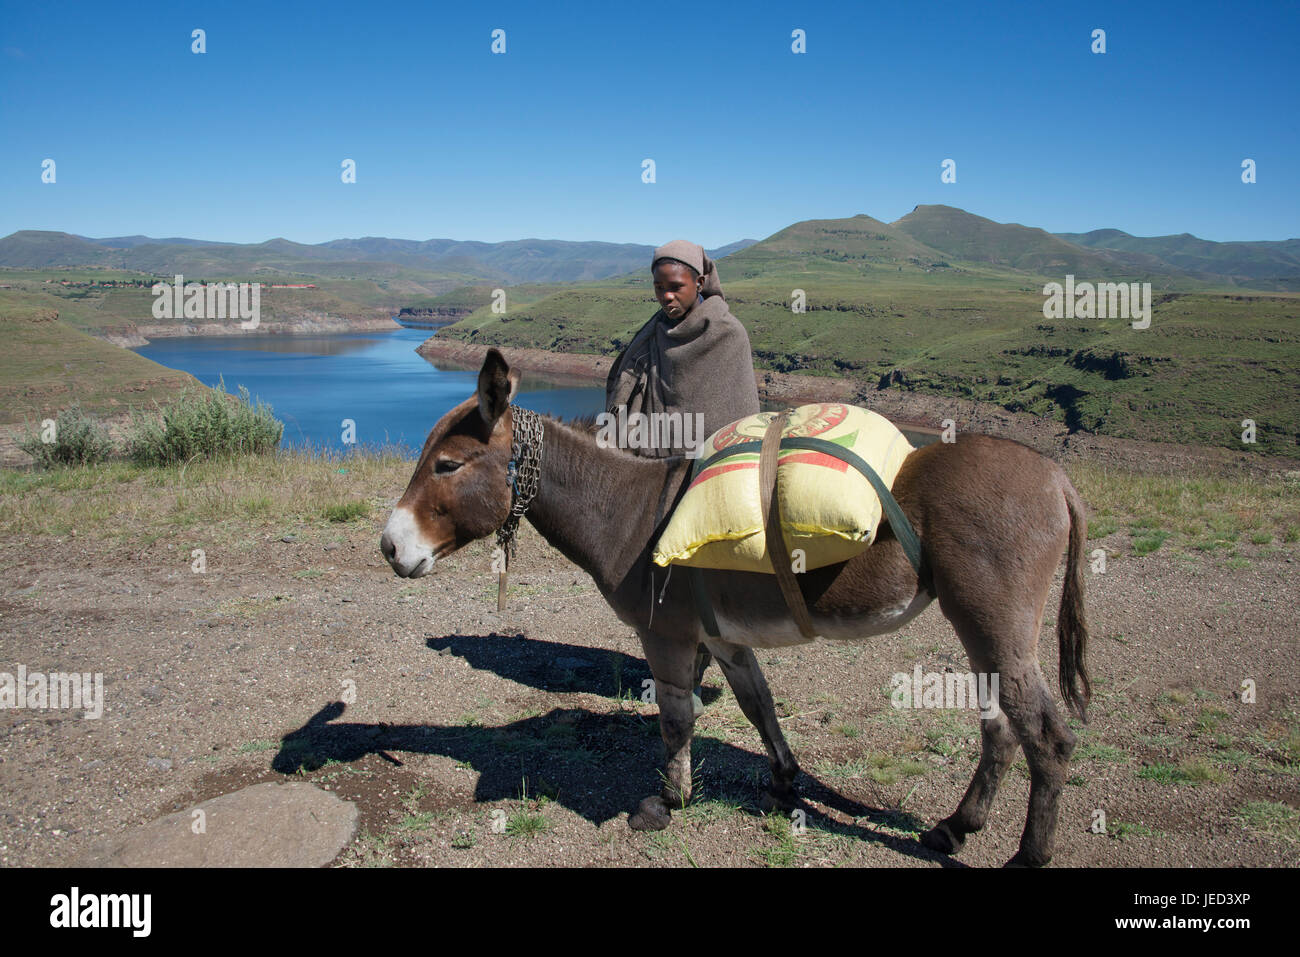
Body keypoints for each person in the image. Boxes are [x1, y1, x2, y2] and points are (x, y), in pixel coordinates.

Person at [605, 239, 760, 713]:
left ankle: (699, 666)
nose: (667, 297)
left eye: (675, 287)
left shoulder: (726, 336)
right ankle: (682, 665)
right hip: (657, 470)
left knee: (704, 573)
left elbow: (732, 414)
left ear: (699, 282)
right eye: (658, 289)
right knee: (663, 574)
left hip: (709, 474)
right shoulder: (653, 333)